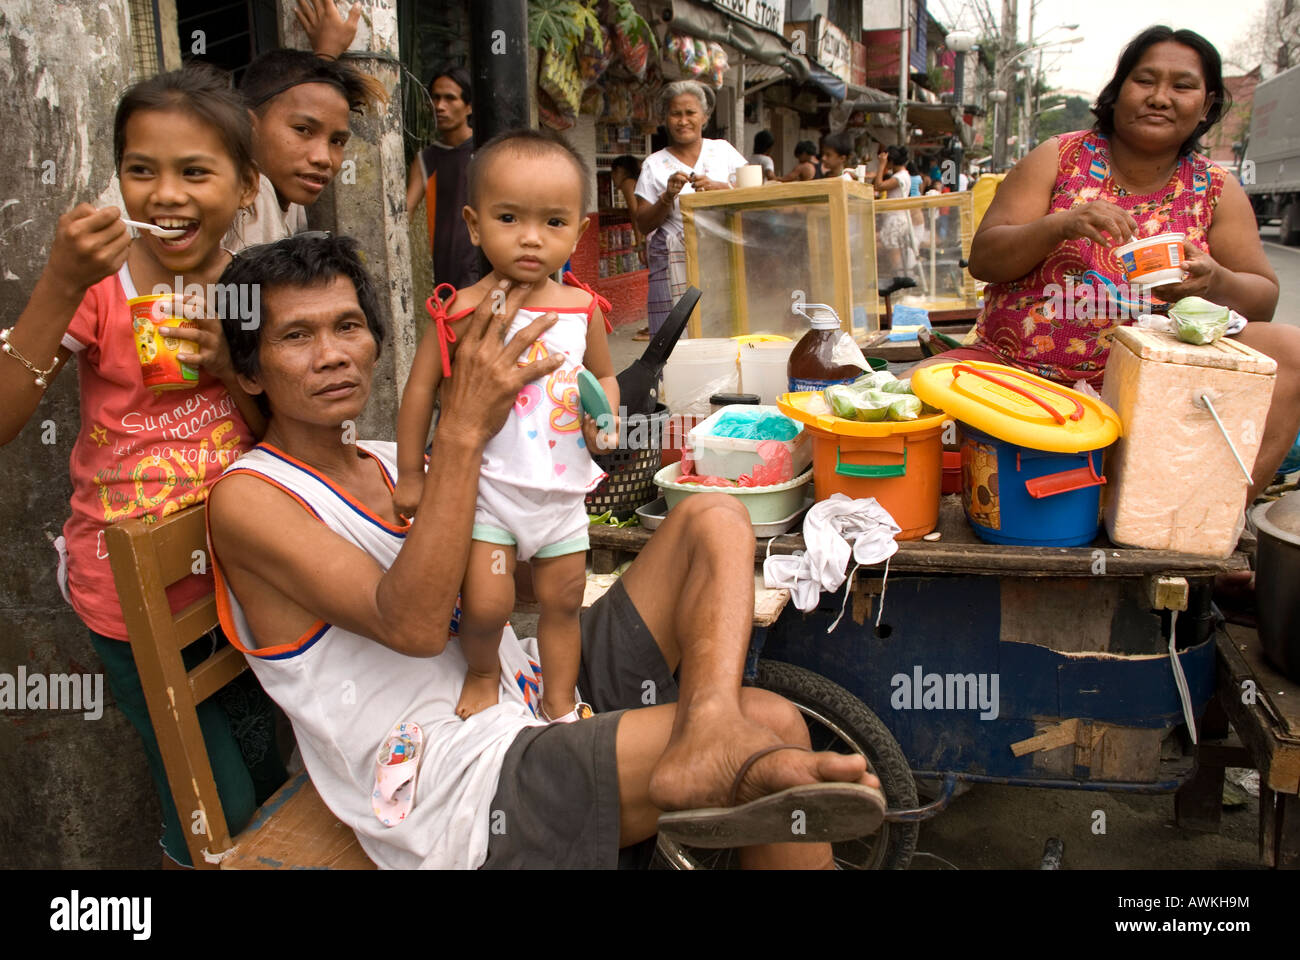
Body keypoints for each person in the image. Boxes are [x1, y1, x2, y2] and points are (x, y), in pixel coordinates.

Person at [206, 233, 885, 869]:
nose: (332, 354)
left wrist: (557, 490)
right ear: (252, 373)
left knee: (712, 517)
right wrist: (466, 432)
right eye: (297, 336)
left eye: (347, 327)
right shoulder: (252, 499)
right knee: (771, 722)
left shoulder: (389, 462)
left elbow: (508, 576)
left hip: (531, 686)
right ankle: (711, 746)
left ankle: (704, 730)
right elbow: (410, 625)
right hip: (455, 774)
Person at [0, 65, 284, 867]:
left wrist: (233, 372)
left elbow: (283, 441)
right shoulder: (100, 289)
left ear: (245, 186)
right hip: (132, 601)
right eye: (141, 170)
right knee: (211, 800)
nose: (165, 195)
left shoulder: (250, 291)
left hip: (241, 583)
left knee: (264, 771)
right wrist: (58, 285)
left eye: (195, 171)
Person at [923, 25, 1300, 503]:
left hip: (1158, 386)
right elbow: (985, 260)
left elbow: (1263, 299)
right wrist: (1061, 224)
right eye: (1145, 81)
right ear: (1118, 90)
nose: (1160, 97)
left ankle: (1210, 525)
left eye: (1182, 86)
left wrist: (1214, 280)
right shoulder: (1058, 156)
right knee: (891, 400)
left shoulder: (1216, 188)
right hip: (1018, 375)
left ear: (1205, 107)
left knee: (1292, 349)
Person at [395, 130, 620, 723]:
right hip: (490, 492)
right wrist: (410, 474)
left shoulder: (583, 309)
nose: (530, 237)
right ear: (473, 224)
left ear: (579, 230)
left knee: (563, 602)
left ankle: (561, 701)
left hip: (564, 494)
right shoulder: (460, 310)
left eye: (553, 222)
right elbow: (419, 392)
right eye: (508, 217)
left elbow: (604, 377)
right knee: (488, 606)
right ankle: (483, 671)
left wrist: (607, 423)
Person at [237, 49, 387, 246]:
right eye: (303, 130)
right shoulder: (253, 197)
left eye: (337, 141)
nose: (323, 158)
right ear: (248, 126)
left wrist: (327, 51)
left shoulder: (288, 195)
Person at [633, 80, 747, 336]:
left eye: (690, 113)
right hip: (672, 266)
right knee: (673, 341)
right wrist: (667, 197)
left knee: (723, 331)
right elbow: (642, 223)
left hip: (721, 259)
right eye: (676, 114)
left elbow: (754, 196)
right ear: (666, 119)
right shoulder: (654, 164)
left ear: (704, 117)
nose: (683, 120)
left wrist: (721, 189)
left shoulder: (723, 151)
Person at [405, 66, 480, 290]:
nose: (440, 106)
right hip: (445, 273)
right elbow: (404, 213)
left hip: (484, 267)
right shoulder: (426, 159)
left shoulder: (486, 151)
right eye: (435, 98)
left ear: (469, 106)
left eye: (450, 98)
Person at [609, 154, 651, 338]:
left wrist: (640, 243)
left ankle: (653, 326)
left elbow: (636, 214)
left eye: (613, 173)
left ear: (619, 171)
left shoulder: (627, 183)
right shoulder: (637, 182)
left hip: (646, 233)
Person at [873, 145, 916, 278]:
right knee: (890, 251)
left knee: (894, 255)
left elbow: (878, 186)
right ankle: (900, 278)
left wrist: (881, 165)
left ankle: (901, 280)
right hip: (896, 219)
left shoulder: (900, 177)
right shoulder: (903, 175)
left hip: (895, 220)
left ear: (891, 161)